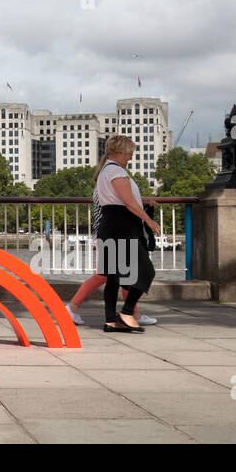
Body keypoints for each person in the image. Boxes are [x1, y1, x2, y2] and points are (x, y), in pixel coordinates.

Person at [91, 135, 160, 333]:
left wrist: (142, 205)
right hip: (122, 226)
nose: (131, 157)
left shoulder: (106, 171)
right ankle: (127, 312)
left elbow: (120, 200)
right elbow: (128, 203)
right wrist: (149, 221)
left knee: (114, 276)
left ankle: (111, 320)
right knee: (146, 270)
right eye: (130, 153)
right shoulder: (116, 171)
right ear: (120, 152)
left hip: (110, 224)